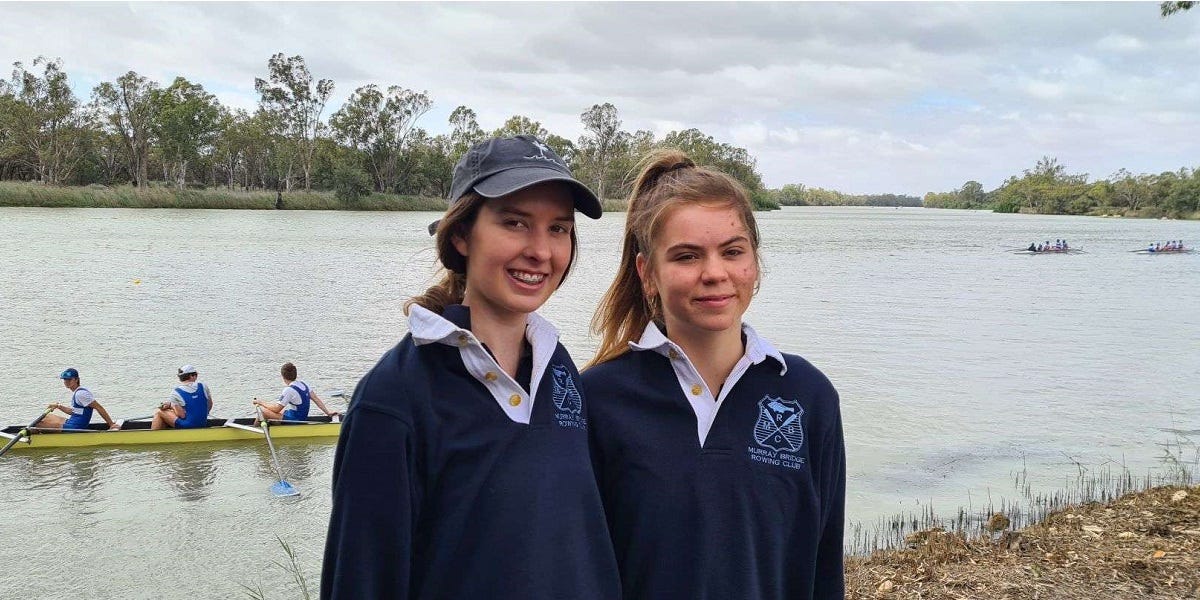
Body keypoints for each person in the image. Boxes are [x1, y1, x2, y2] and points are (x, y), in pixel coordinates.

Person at [321, 135, 619, 599]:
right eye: (515, 223)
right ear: (461, 235)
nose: (541, 251)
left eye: (558, 228)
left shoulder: (556, 366)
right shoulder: (393, 398)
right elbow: (361, 579)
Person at [583, 150, 846, 599]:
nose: (715, 273)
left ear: (754, 263)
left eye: (732, 252)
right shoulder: (596, 399)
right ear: (648, 273)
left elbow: (824, 564)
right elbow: (581, 566)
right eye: (687, 256)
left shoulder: (808, 394)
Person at [36, 368, 119, 431]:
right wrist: (58, 406)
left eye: (69, 379)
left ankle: (32, 438)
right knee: (47, 417)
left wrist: (111, 424)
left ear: (76, 379)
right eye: (65, 379)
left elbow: (99, 407)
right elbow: (74, 411)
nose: (66, 382)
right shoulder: (78, 392)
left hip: (75, 427)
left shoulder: (81, 394)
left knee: (38, 424)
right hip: (72, 422)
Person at [252, 362, 338, 421]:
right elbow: (316, 399)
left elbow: (276, 409)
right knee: (274, 411)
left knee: (262, 411)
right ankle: (273, 426)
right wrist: (328, 412)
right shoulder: (304, 384)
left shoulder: (289, 390)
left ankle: (254, 434)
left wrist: (261, 402)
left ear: (283, 376)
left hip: (296, 420)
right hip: (298, 416)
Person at [152, 365, 212, 430]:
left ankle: (154, 437)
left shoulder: (176, 392)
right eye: (196, 375)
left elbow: (181, 415)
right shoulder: (203, 386)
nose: (196, 376)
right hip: (203, 423)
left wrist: (171, 406)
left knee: (159, 412)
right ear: (191, 376)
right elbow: (210, 404)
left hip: (187, 426)